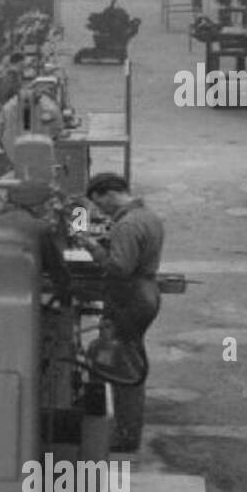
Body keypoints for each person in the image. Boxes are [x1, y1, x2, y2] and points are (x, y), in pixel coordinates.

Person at [73, 173, 164, 453]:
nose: (102, 212)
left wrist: (91, 246)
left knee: (122, 365)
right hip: (144, 292)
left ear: (109, 194)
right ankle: (122, 425)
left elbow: (118, 268)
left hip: (130, 297)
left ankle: (125, 435)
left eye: (100, 205)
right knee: (123, 359)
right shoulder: (147, 215)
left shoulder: (128, 225)